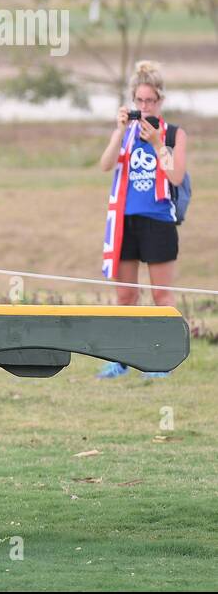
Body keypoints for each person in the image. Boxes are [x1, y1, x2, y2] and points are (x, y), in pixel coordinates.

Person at [97, 60, 189, 378]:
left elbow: (176, 176)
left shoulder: (174, 134)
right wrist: (120, 129)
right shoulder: (127, 132)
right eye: (139, 101)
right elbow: (105, 165)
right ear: (133, 101)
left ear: (160, 101)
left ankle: (161, 361)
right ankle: (122, 359)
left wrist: (156, 143)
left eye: (150, 101)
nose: (145, 106)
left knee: (161, 295)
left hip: (159, 221)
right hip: (126, 222)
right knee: (126, 295)